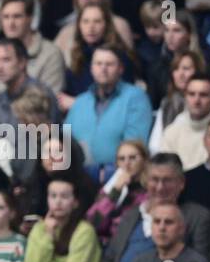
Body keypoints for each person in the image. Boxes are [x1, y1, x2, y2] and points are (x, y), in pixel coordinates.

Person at [65, 46, 152, 175]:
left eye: (109, 64)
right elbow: (65, 139)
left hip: (120, 175)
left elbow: (135, 146)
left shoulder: (136, 98)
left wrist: (109, 173)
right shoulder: (80, 102)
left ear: (120, 69)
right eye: (98, 63)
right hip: (78, 175)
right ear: (91, 68)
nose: (103, 68)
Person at [23, 173, 100, 262]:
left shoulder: (84, 231)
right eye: (53, 196)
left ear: (75, 202)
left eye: (64, 196)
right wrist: (48, 236)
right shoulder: (39, 228)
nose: (58, 202)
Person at [88, 140, 148, 243]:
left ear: (144, 160)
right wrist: (115, 193)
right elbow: (92, 223)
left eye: (132, 158)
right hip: (105, 243)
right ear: (117, 163)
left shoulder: (151, 190)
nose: (127, 163)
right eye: (122, 159)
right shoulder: (111, 188)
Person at [161, 76, 210, 172]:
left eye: (203, 95)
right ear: (185, 96)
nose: (197, 100)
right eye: (191, 94)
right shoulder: (172, 131)